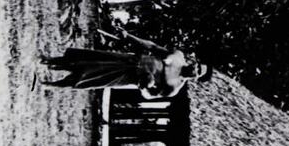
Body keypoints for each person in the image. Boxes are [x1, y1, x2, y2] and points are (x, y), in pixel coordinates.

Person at [41, 36, 210, 96]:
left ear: (195, 79)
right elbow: (152, 46)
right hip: (131, 60)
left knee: (91, 77)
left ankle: (49, 85)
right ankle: (50, 61)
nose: (195, 70)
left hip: (129, 76)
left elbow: (150, 94)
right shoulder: (178, 56)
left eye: (198, 74)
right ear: (195, 62)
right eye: (197, 67)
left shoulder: (173, 87)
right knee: (91, 59)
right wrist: (129, 36)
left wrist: (146, 84)